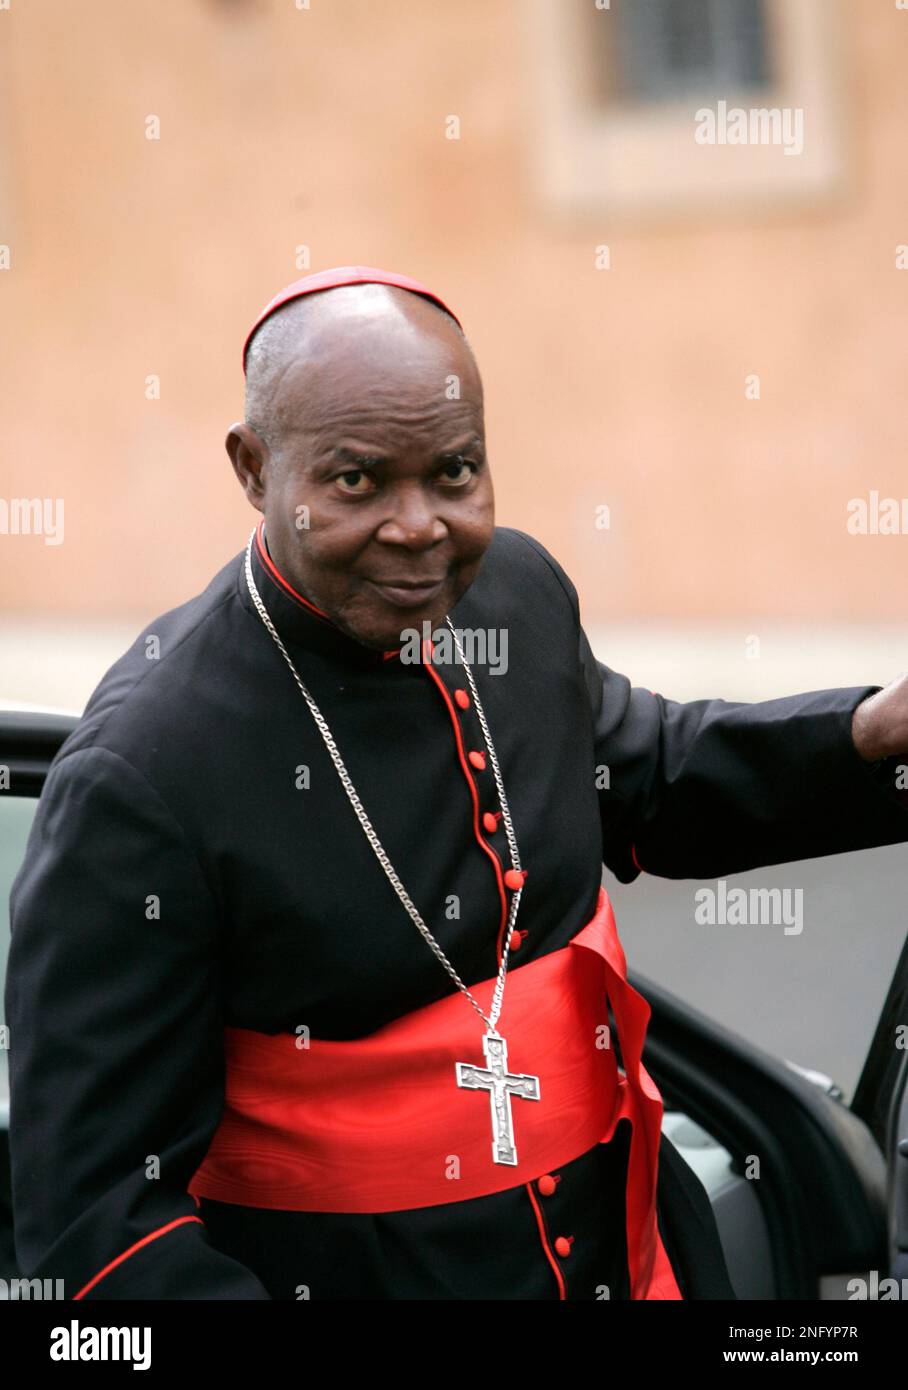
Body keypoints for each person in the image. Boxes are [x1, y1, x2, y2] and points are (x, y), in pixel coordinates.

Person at [6, 266, 908, 1302]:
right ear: (255, 469)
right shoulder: (145, 769)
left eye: (454, 471)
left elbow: (641, 773)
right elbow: (101, 1223)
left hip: (627, 1251)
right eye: (356, 482)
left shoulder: (514, 593)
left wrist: (866, 737)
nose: (419, 526)